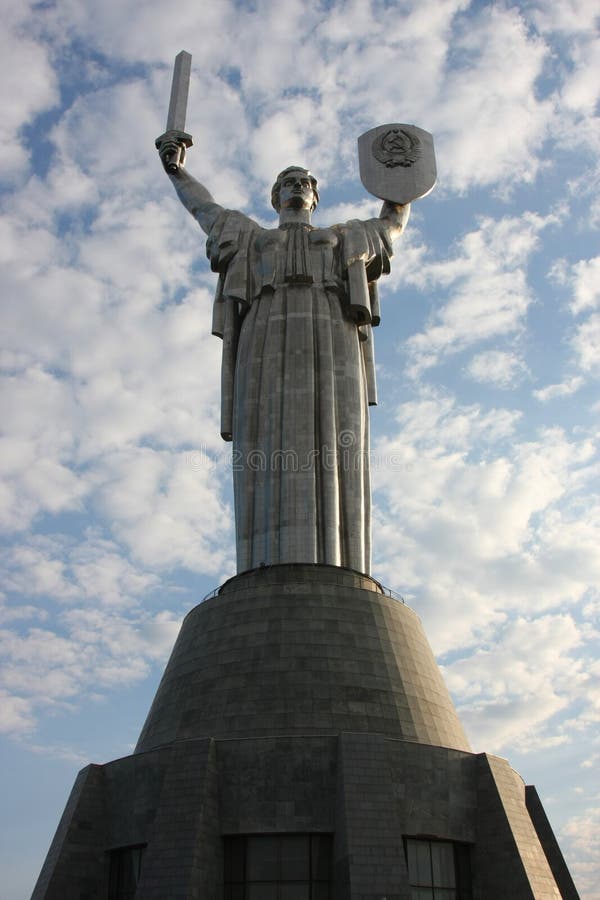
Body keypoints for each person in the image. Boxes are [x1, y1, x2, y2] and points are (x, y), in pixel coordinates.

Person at [158, 135, 410, 575]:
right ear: (276, 198)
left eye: (303, 182)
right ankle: (264, 564)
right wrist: (178, 171)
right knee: (265, 431)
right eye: (287, 182)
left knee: (338, 432)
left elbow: (391, 225)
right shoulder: (251, 237)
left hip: (331, 326)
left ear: (314, 196)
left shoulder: (344, 235)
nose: (296, 186)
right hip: (266, 331)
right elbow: (205, 210)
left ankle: (342, 566)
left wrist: (400, 185)